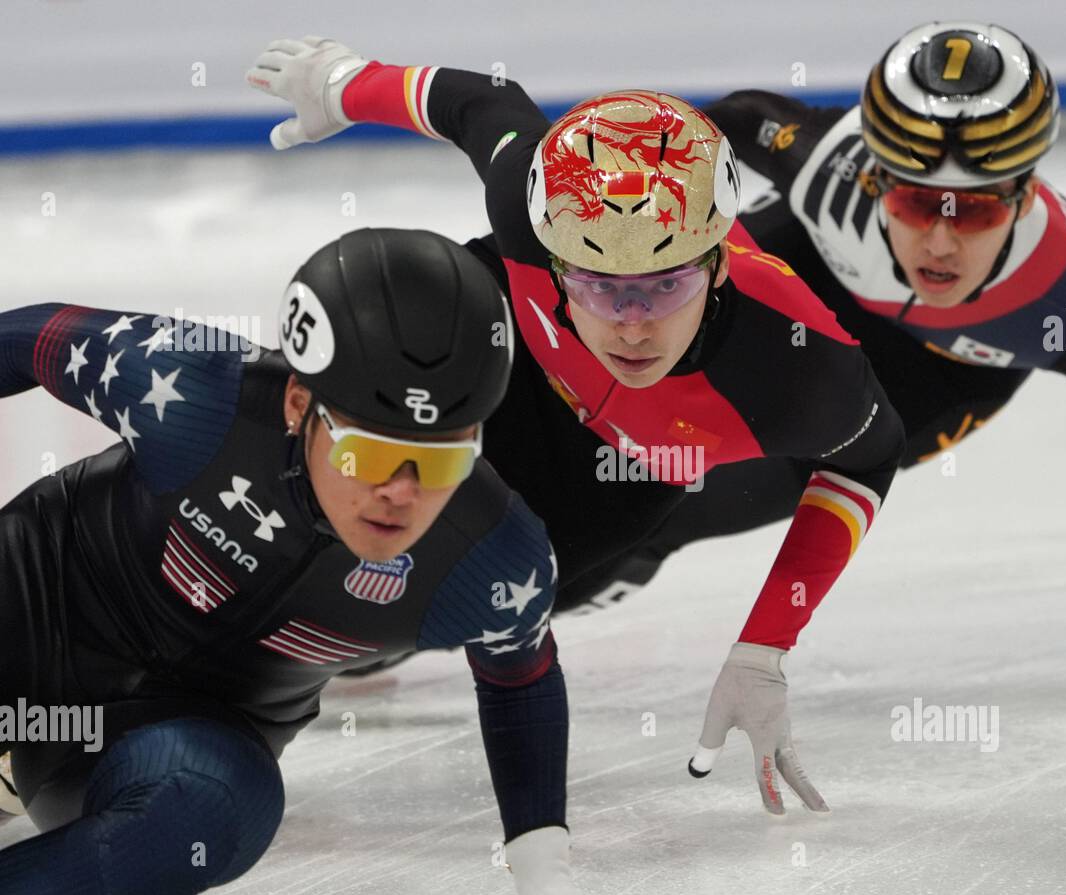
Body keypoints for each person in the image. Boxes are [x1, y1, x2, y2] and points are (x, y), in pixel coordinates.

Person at [247, 36, 906, 814]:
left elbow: (870, 456)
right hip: (503, 356)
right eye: (598, 285)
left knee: (425, 608)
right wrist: (344, 82)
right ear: (556, 259)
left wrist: (765, 644)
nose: (630, 326)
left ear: (719, 263)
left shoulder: (798, 367)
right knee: (320, 483)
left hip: (616, 479)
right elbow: (480, 103)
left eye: (664, 288)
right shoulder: (528, 206)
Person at [601, 22, 1066, 698]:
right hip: (818, 272)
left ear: (1025, 194)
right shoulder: (831, 170)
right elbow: (736, 119)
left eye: (974, 213)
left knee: (671, 504)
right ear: (877, 175)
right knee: (608, 359)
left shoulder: (1063, 298)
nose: (940, 244)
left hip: (937, 376)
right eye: (916, 202)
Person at [0, 227, 600, 895]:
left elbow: (518, 678)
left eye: (441, 462)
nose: (400, 494)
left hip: (183, 735)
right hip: (33, 606)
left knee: (215, 812)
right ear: (296, 404)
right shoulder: (194, 394)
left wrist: (538, 848)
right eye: (368, 453)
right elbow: (21, 339)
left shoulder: (492, 556)